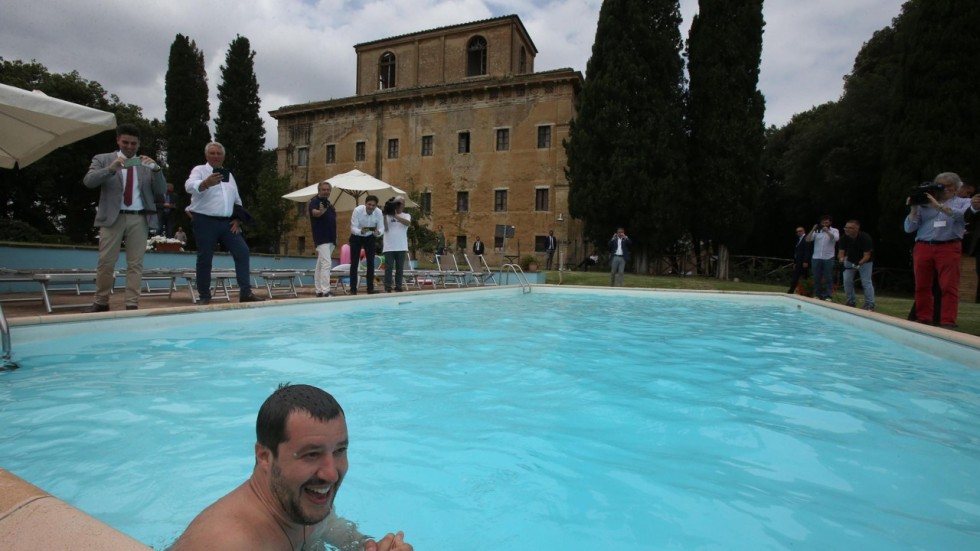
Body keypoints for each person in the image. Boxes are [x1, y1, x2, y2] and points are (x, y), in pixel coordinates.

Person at [169, 383, 413, 551]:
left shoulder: (301, 498)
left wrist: (366, 545)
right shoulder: (227, 543)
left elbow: (327, 526)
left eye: (339, 451)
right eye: (311, 454)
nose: (330, 473)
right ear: (264, 456)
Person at [82, 123, 166, 312]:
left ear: (139, 144)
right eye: (126, 142)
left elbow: (161, 191)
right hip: (113, 217)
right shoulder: (103, 159)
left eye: (133, 143)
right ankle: (101, 301)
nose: (129, 147)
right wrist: (110, 169)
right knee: (106, 262)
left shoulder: (145, 163)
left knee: (135, 264)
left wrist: (157, 170)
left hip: (139, 217)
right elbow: (89, 182)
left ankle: (131, 303)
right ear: (118, 140)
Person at [184, 142, 264, 305]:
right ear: (207, 155)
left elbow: (237, 200)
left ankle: (245, 292)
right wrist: (205, 183)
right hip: (205, 220)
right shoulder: (199, 170)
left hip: (227, 223)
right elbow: (189, 186)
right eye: (212, 153)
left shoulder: (229, 175)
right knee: (205, 257)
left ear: (223, 156)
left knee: (242, 251)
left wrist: (238, 219)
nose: (215, 156)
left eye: (218, 153)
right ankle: (204, 296)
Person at [904, 172, 972, 327]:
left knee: (948, 286)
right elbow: (909, 228)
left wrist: (938, 207)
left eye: (947, 186)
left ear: (956, 188)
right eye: (939, 185)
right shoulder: (925, 203)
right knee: (922, 285)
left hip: (948, 245)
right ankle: (923, 318)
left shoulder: (963, 202)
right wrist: (913, 209)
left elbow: (962, 217)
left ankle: (948, 321)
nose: (943, 189)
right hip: (923, 245)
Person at [349, 195, 384, 295]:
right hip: (357, 236)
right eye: (369, 204)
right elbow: (353, 228)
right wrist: (361, 231)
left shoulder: (378, 212)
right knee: (354, 263)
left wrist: (378, 233)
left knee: (371, 263)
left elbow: (382, 228)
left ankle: (370, 288)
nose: (371, 207)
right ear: (365, 204)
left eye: (373, 205)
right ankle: (353, 289)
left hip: (370, 237)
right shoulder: (357, 210)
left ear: (376, 206)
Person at [837, 220, 875, 310]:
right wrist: (841, 260)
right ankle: (850, 302)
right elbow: (841, 252)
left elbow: (867, 256)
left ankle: (870, 304)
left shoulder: (865, 238)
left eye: (850, 228)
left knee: (866, 282)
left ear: (857, 228)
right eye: (846, 227)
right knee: (847, 280)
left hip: (866, 261)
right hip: (850, 259)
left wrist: (858, 264)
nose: (847, 230)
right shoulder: (844, 238)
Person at [310, 181, 337, 298]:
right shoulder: (315, 201)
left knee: (320, 265)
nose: (326, 191)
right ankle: (326, 291)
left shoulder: (329, 204)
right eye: (323, 189)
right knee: (326, 263)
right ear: (319, 190)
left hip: (330, 238)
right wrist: (321, 211)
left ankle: (319, 290)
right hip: (321, 238)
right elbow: (314, 213)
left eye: (328, 190)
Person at [805, 215, 839, 301]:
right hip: (816, 257)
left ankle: (828, 296)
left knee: (828, 277)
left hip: (828, 257)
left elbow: (835, 239)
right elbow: (808, 240)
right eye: (823, 222)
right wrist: (813, 229)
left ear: (830, 223)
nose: (824, 224)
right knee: (816, 277)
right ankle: (817, 295)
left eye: (826, 222)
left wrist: (827, 231)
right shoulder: (817, 231)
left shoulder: (834, 230)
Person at [382, 196, 411, 292]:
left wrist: (396, 216)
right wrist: (385, 214)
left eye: (400, 203)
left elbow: (407, 223)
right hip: (389, 246)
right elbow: (385, 228)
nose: (399, 205)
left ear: (403, 205)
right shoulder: (387, 216)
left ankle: (398, 286)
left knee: (400, 268)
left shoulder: (406, 215)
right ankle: (388, 287)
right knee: (388, 268)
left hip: (401, 246)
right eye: (397, 203)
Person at [787, 226, 813, 294]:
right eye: (797, 231)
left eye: (800, 231)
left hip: (803, 261)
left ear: (804, 231)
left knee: (802, 276)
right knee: (800, 276)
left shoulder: (806, 239)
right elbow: (796, 252)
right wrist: (795, 262)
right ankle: (798, 290)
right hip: (798, 261)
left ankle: (792, 290)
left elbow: (808, 251)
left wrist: (806, 261)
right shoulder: (799, 240)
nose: (798, 232)